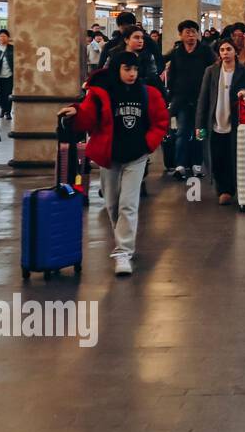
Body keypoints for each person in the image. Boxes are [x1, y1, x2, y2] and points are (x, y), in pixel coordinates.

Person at [57, 51, 170, 276]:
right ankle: (123, 240)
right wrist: (75, 112)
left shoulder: (149, 94)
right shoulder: (102, 93)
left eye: (135, 69)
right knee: (112, 203)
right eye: (127, 69)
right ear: (117, 69)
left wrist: (147, 144)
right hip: (110, 156)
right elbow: (88, 116)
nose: (132, 74)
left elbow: (160, 121)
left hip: (136, 156)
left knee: (128, 203)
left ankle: (122, 251)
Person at [196, 38, 245, 205]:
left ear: (235, 52)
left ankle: (230, 190)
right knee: (216, 157)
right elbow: (203, 98)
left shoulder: (244, 71)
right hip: (215, 122)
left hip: (236, 123)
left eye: (228, 49)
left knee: (232, 157)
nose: (225, 53)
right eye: (222, 50)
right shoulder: (211, 71)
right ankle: (221, 189)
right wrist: (199, 125)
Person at [164, 19, 215, 178]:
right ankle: (180, 165)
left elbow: (214, 70)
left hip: (202, 99)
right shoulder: (177, 52)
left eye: (194, 32)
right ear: (181, 35)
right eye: (187, 32)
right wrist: (170, 96)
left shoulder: (206, 51)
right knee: (182, 132)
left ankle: (197, 164)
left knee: (200, 133)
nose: (191, 35)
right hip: (182, 99)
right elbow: (170, 72)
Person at [0, 28, 13, 120]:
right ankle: (3, 109)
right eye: (0, 36)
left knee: (8, 94)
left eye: (4, 36)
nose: (2, 38)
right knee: (0, 94)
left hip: (9, 76)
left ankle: (8, 112)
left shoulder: (12, 49)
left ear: (8, 38)